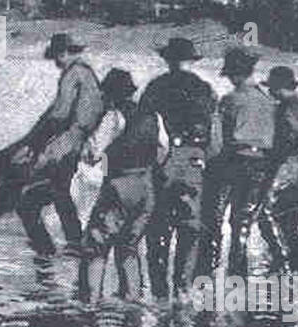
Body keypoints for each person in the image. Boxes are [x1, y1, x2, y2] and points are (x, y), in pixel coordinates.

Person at [12, 32, 104, 255]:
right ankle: (73, 243)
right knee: (60, 192)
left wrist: (34, 142)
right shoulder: (88, 75)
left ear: (63, 53)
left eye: (56, 56)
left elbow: (60, 114)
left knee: (29, 199)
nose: (55, 62)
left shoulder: (73, 74)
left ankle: (48, 248)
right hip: (78, 142)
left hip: (66, 144)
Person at [138, 36, 217, 297]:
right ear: (191, 60)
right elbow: (213, 132)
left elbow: (144, 127)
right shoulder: (204, 89)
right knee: (190, 224)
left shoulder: (156, 87)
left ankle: (160, 292)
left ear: (168, 60)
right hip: (194, 159)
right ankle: (183, 288)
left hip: (164, 158)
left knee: (159, 225)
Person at [78, 69, 160, 300]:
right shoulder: (152, 116)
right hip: (146, 187)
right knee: (129, 247)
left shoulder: (114, 117)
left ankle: (89, 302)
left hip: (120, 184)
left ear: (110, 95)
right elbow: (162, 152)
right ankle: (132, 303)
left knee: (96, 244)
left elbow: (91, 154)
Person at [200, 47, 275, 276]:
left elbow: (217, 140)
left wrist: (209, 166)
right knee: (242, 221)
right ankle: (238, 272)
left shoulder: (230, 100)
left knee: (216, 216)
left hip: (234, 160)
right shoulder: (268, 100)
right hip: (261, 163)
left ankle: (210, 269)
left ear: (235, 74)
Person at [255, 65, 298, 272]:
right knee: (282, 213)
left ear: (280, 87)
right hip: (293, 167)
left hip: (286, 165)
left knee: (264, 209)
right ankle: (282, 257)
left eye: (273, 88)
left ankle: (281, 256)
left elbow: (294, 138)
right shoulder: (294, 106)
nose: (270, 92)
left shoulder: (289, 108)